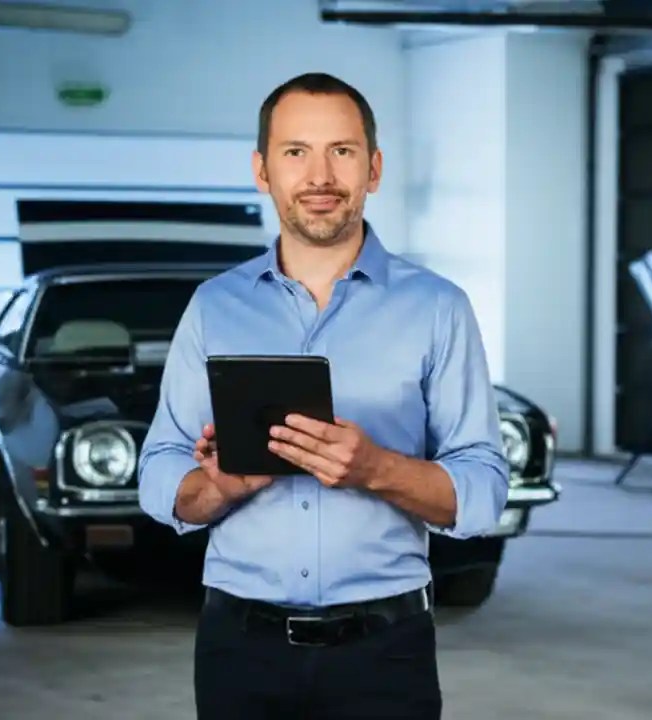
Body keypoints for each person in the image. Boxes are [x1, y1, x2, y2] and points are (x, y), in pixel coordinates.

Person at [137, 71, 510, 719]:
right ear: (262, 171)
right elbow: (159, 470)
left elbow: (483, 491)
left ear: (374, 169)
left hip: (385, 654)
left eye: (342, 150)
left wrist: (376, 469)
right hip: (238, 651)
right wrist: (219, 487)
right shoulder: (213, 307)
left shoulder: (438, 308)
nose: (320, 176)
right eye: (295, 152)